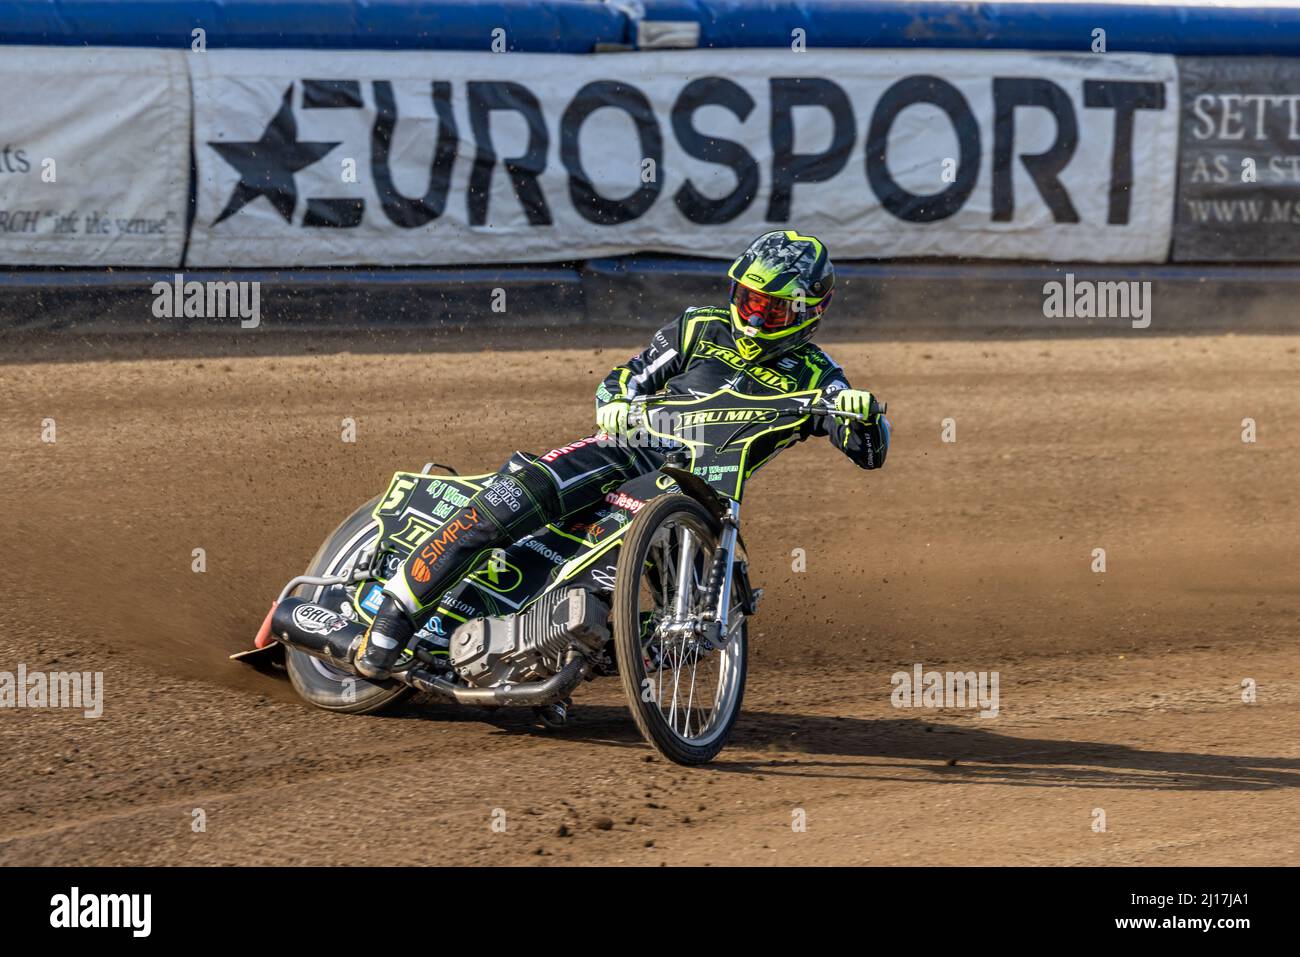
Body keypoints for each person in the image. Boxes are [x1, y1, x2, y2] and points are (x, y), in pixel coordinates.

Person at [354, 229, 891, 680]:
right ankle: (394, 615)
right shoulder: (699, 327)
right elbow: (624, 377)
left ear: (808, 310)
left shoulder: (819, 375)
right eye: (749, 300)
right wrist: (616, 402)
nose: (754, 317)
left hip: (700, 497)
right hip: (631, 447)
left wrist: (863, 414)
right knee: (515, 494)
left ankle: (580, 657)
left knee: (705, 624)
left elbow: (867, 450)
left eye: (772, 309)